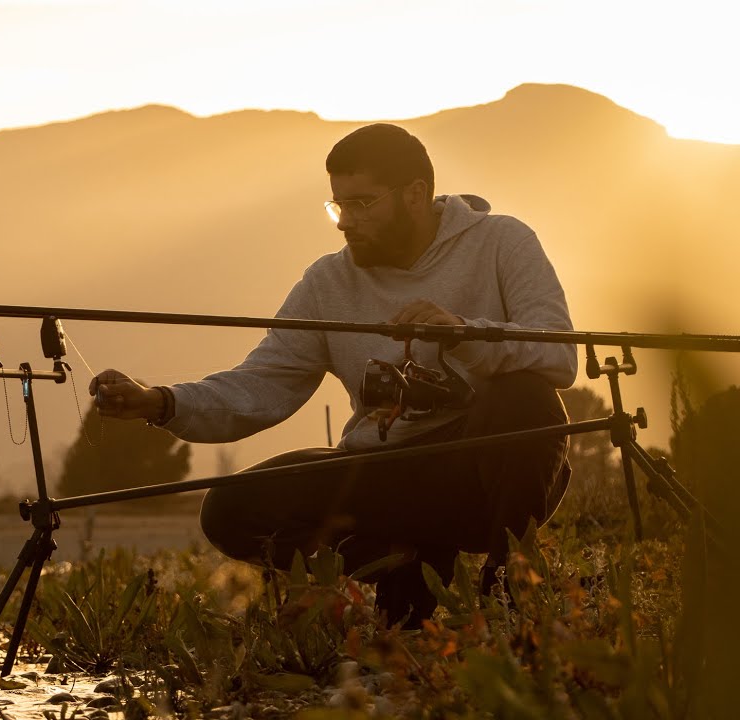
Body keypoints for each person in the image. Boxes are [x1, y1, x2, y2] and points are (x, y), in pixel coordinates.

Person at [89, 123, 577, 628]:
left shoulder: (503, 241)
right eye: (338, 206)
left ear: (415, 194)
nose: (345, 221)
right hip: (384, 471)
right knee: (231, 509)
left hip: (485, 474)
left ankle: (508, 583)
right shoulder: (327, 281)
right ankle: (403, 564)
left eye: (362, 204)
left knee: (525, 394)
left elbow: (559, 356)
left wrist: (462, 335)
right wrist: (161, 402)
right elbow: (261, 383)